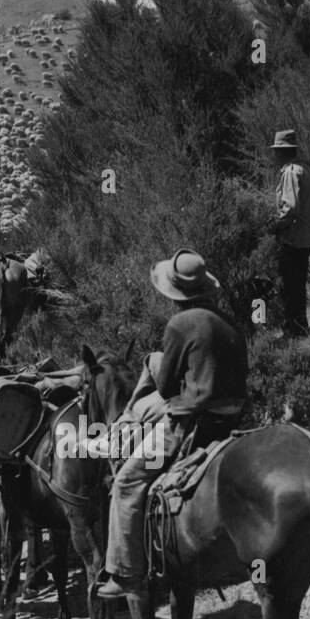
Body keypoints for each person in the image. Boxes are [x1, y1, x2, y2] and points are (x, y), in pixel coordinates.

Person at [99, 250, 248, 599]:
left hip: (188, 426)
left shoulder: (180, 325)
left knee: (127, 481)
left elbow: (166, 389)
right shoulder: (228, 321)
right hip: (231, 419)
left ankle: (125, 573)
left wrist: (157, 362)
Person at [269, 129, 310, 337]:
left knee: (289, 286)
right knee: (298, 284)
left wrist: (273, 225)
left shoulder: (290, 172)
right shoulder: (304, 169)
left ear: (282, 152)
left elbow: (290, 208)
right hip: (305, 236)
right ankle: (300, 326)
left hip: (293, 238)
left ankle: (293, 330)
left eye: (277, 151)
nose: (275, 155)